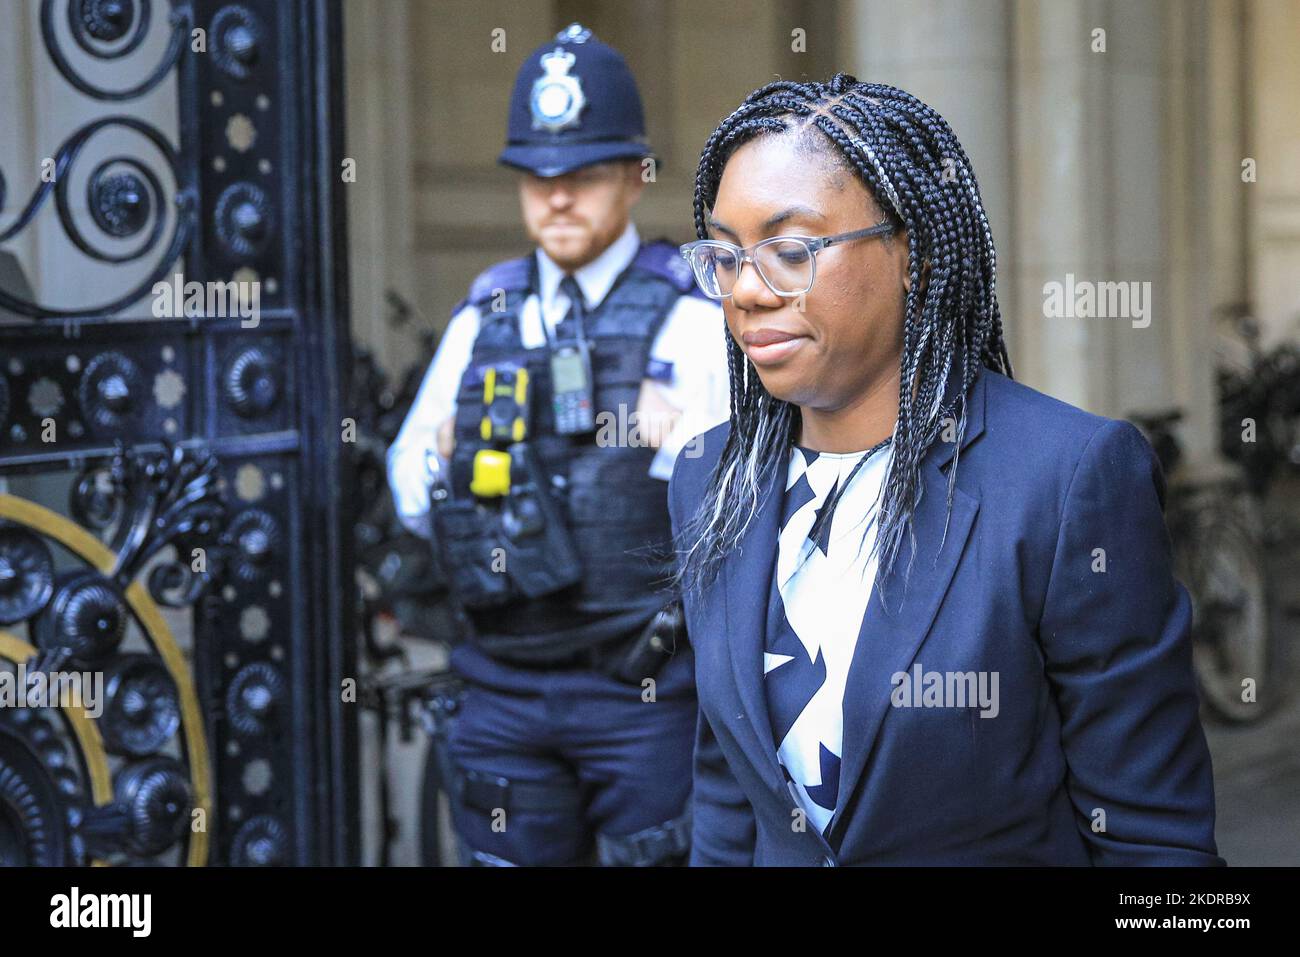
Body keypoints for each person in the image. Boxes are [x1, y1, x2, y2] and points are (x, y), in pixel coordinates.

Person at [668, 74, 1225, 866]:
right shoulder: (707, 478)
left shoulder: (1064, 480)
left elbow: (1152, 837)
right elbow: (730, 793)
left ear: (914, 256)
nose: (745, 292)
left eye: (790, 251)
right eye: (724, 255)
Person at [386, 24, 728, 866]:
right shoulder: (484, 317)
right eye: (536, 178)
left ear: (633, 176)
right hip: (504, 686)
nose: (557, 197)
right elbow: (406, 486)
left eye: (582, 173)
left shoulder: (693, 318)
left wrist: (677, 437)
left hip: (643, 692)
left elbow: (746, 499)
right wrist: (449, 461)